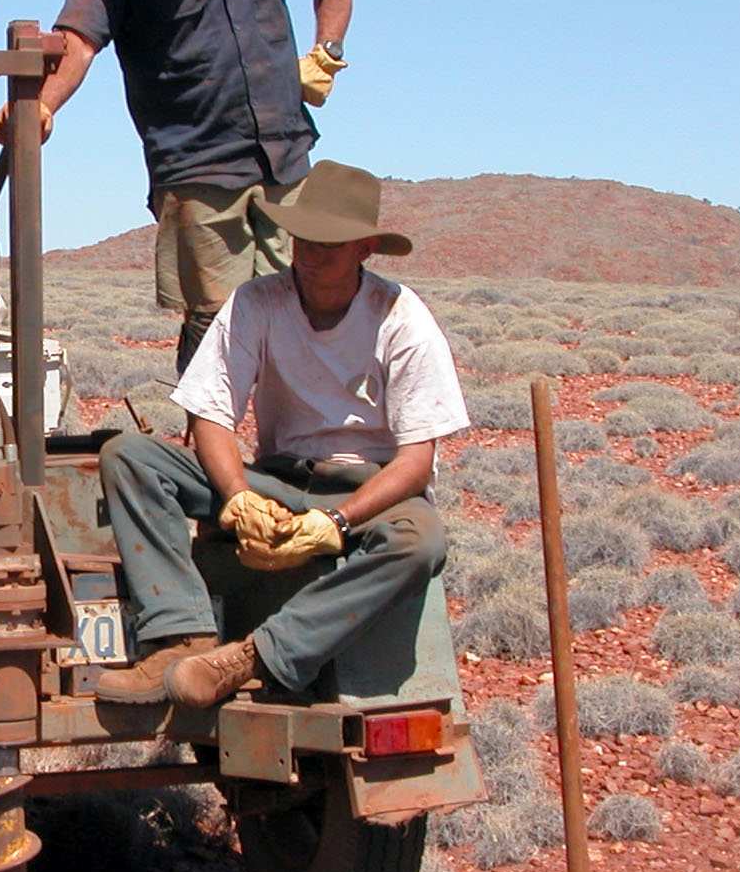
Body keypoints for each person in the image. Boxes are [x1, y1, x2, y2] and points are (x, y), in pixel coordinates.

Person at [90, 161, 466, 709]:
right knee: (130, 456)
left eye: (328, 248)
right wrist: (239, 495)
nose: (308, 259)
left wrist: (336, 521)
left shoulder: (401, 317)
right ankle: (178, 638)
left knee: (420, 542)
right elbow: (210, 414)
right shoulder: (258, 302)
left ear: (365, 248)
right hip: (278, 479)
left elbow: (415, 461)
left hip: (368, 489)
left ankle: (253, 657)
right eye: (302, 242)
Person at [15, 0, 353, 371]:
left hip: (285, 154)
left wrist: (328, 51)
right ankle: (206, 446)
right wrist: (43, 106)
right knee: (217, 316)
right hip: (195, 163)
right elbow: (77, 40)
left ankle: (287, 451)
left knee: (299, 311)